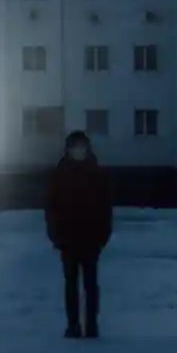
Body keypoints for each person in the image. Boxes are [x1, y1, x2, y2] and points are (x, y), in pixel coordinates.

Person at [45, 130, 113, 339]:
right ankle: (73, 325)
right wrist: (56, 236)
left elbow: (105, 208)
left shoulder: (97, 174)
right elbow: (51, 208)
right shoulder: (60, 174)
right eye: (75, 147)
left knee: (90, 285)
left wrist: (102, 236)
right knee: (71, 285)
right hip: (68, 239)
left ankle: (91, 325)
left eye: (81, 147)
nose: (78, 151)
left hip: (91, 239)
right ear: (68, 149)